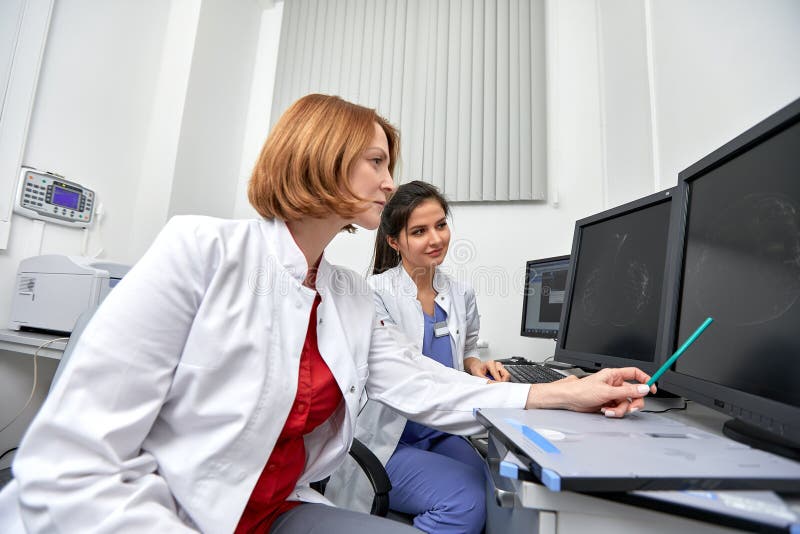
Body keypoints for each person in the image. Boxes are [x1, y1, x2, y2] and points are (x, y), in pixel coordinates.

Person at [0, 94, 655, 534]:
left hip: (277, 510)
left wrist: (565, 393)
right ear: (319, 156)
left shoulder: (344, 292)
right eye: (376, 161)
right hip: (164, 515)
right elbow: (69, 467)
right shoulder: (202, 251)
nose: (391, 181)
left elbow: (424, 384)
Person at [326, 181, 511, 533]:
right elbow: (407, 372)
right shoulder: (374, 294)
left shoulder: (461, 293)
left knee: (494, 487)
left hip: (439, 431)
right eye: (419, 231)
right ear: (394, 242)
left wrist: (476, 365)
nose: (436, 239)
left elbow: (467, 348)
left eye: (441, 225)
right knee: (467, 501)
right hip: (388, 438)